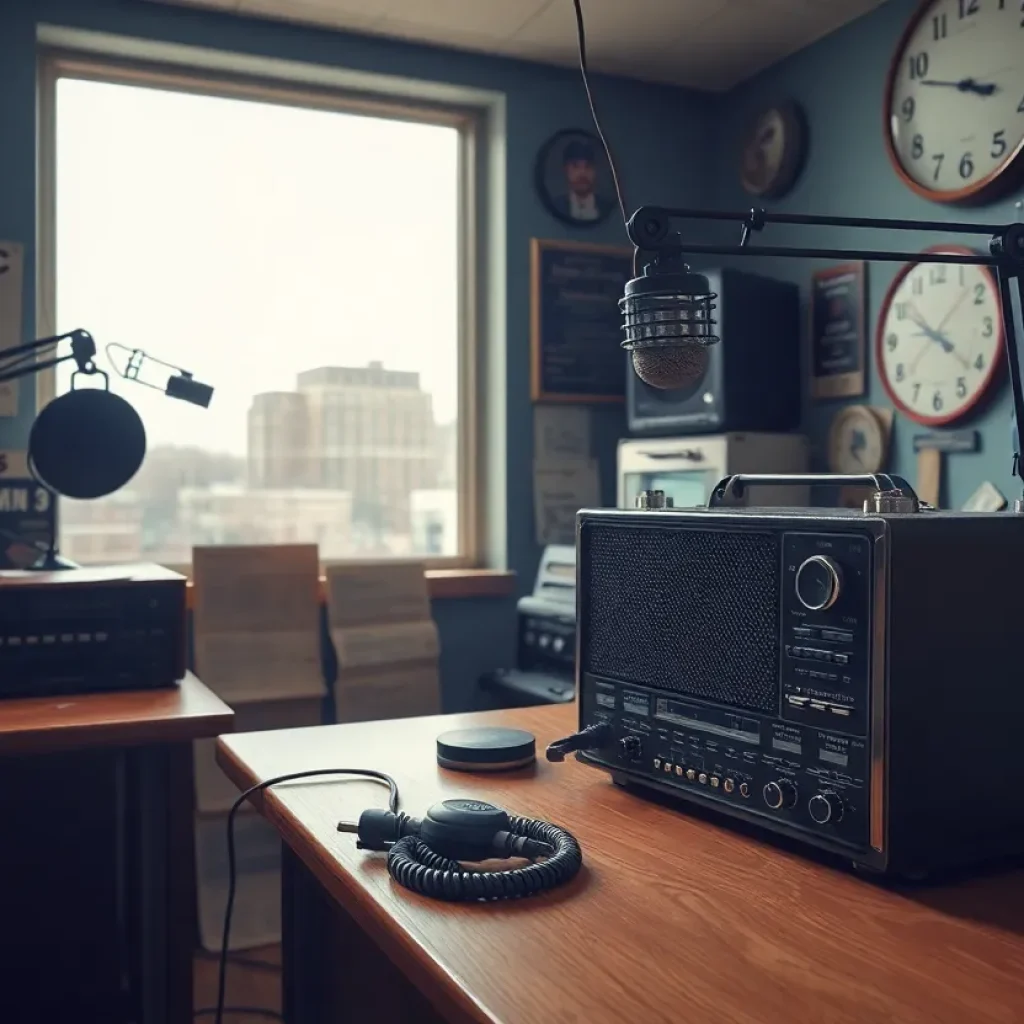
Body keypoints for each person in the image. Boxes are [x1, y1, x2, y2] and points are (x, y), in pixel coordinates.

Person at [551, 140, 614, 223]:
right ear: (566, 170)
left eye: (588, 166)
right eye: (575, 166)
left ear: (595, 170)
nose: (582, 173)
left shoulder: (607, 208)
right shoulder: (556, 207)